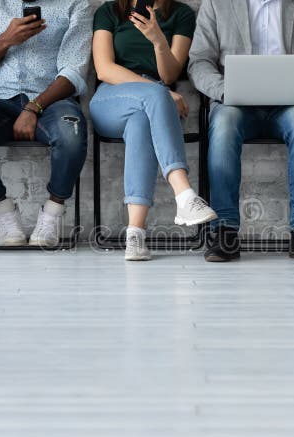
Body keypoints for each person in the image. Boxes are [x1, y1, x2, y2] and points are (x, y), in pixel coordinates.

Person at [188, 0, 294, 263]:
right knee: (223, 124)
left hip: (291, 104)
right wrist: (225, 91)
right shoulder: (216, 4)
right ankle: (225, 232)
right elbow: (199, 61)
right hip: (237, 104)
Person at [0, 0, 92, 247]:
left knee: (71, 134)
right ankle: (4, 211)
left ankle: (52, 213)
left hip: (52, 101)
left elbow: (74, 72)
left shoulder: (76, 4)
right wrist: (4, 42)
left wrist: (34, 107)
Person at [90, 0, 217, 261]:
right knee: (154, 96)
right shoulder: (109, 11)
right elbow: (104, 69)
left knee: (140, 121)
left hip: (156, 104)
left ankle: (135, 234)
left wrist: (159, 40)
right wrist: (159, 92)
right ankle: (184, 193)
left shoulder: (181, 14)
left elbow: (169, 75)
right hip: (112, 98)